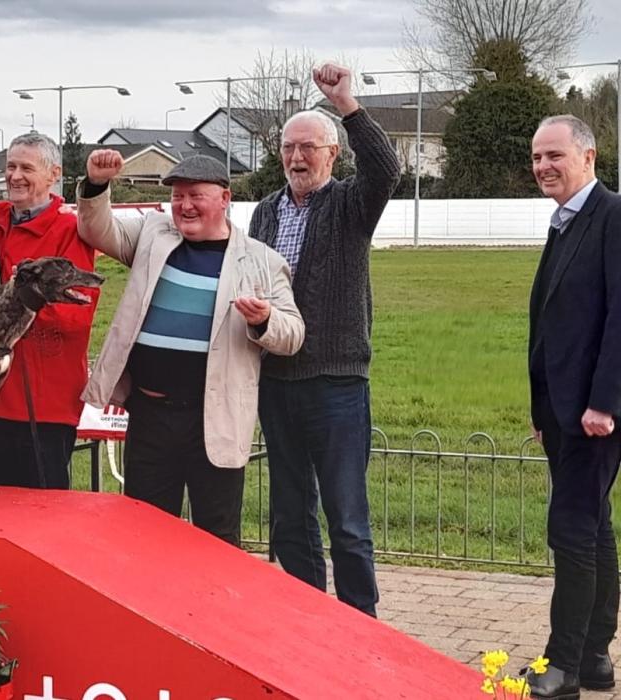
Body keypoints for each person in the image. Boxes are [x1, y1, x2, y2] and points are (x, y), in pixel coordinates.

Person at [76, 150, 303, 546]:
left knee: (216, 541)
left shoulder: (262, 262)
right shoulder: (152, 234)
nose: (184, 206)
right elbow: (99, 230)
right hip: (150, 415)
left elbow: (293, 333)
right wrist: (97, 185)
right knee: (144, 535)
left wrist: (263, 320)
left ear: (224, 199)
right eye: (178, 196)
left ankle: (210, 609)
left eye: (195, 195)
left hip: (213, 419)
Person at [246, 63, 400, 616]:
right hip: (277, 379)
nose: (296, 158)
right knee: (290, 514)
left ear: (332, 154)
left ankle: (361, 624)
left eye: (309, 146)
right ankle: (311, 617)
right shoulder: (264, 211)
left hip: (336, 380)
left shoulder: (352, 204)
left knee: (347, 518)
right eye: (289, 147)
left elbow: (386, 170)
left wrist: (347, 104)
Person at [522, 114, 621, 699]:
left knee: (571, 530)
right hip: (561, 412)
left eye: (554, 155)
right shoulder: (564, 223)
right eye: (536, 158)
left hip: (594, 413)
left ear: (588, 156)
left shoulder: (611, 216)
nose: (543, 167)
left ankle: (560, 669)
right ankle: (594, 658)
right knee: (593, 528)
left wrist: (605, 402)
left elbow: (620, 315)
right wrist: (541, 407)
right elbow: (550, 320)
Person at [0, 133, 98, 489]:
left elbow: (76, 316)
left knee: (41, 511)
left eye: (26, 168)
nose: (14, 176)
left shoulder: (69, 228)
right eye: (11, 167)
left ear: (53, 175)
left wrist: (12, 307)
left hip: (42, 401)